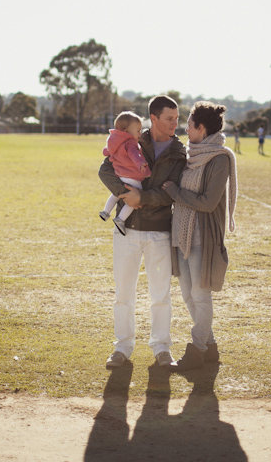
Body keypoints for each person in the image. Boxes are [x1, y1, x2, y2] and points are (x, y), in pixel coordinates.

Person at [98, 95, 187, 370]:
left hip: (160, 232)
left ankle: (162, 348)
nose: (175, 123)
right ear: (154, 119)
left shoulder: (180, 153)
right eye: (170, 118)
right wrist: (127, 194)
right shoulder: (132, 139)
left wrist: (142, 198)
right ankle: (122, 347)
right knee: (123, 294)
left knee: (161, 295)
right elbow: (105, 170)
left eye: (177, 118)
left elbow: (173, 194)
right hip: (128, 232)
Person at [162, 102, 238, 371]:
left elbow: (207, 202)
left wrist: (175, 193)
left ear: (201, 128)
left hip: (202, 236)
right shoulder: (191, 155)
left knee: (200, 294)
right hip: (181, 233)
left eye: (189, 124)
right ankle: (211, 347)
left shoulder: (219, 159)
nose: (185, 127)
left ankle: (197, 350)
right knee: (187, 294)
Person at [99, 111, 152, 236]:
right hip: (132, 176)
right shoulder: (130, 143)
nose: (140, 133)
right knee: (135, 198)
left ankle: (105, 212)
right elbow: (134, 155)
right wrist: (140, 163)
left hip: (120, 174)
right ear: (127, 131)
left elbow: (107, 151)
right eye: (138, 130)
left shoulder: (115, 142)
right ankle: (120, 219)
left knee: (116, 194)